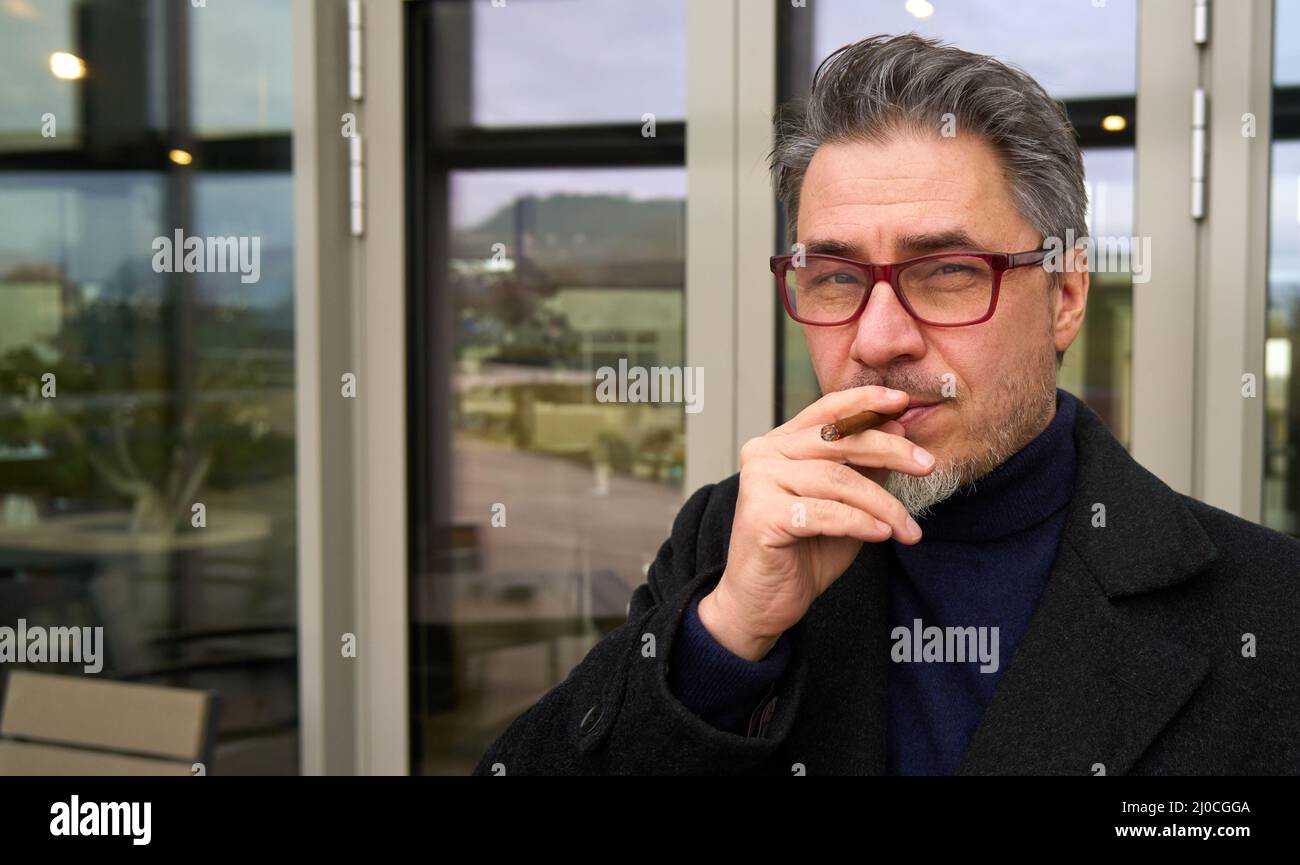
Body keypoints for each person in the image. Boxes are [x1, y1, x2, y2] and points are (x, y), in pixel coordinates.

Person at [472, 34, 1300, 776]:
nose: (878, 338)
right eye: (835, 277)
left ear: (1067, 294)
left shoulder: (1268, 608)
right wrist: (721, 641)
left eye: (945, 270)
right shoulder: (726, 541)